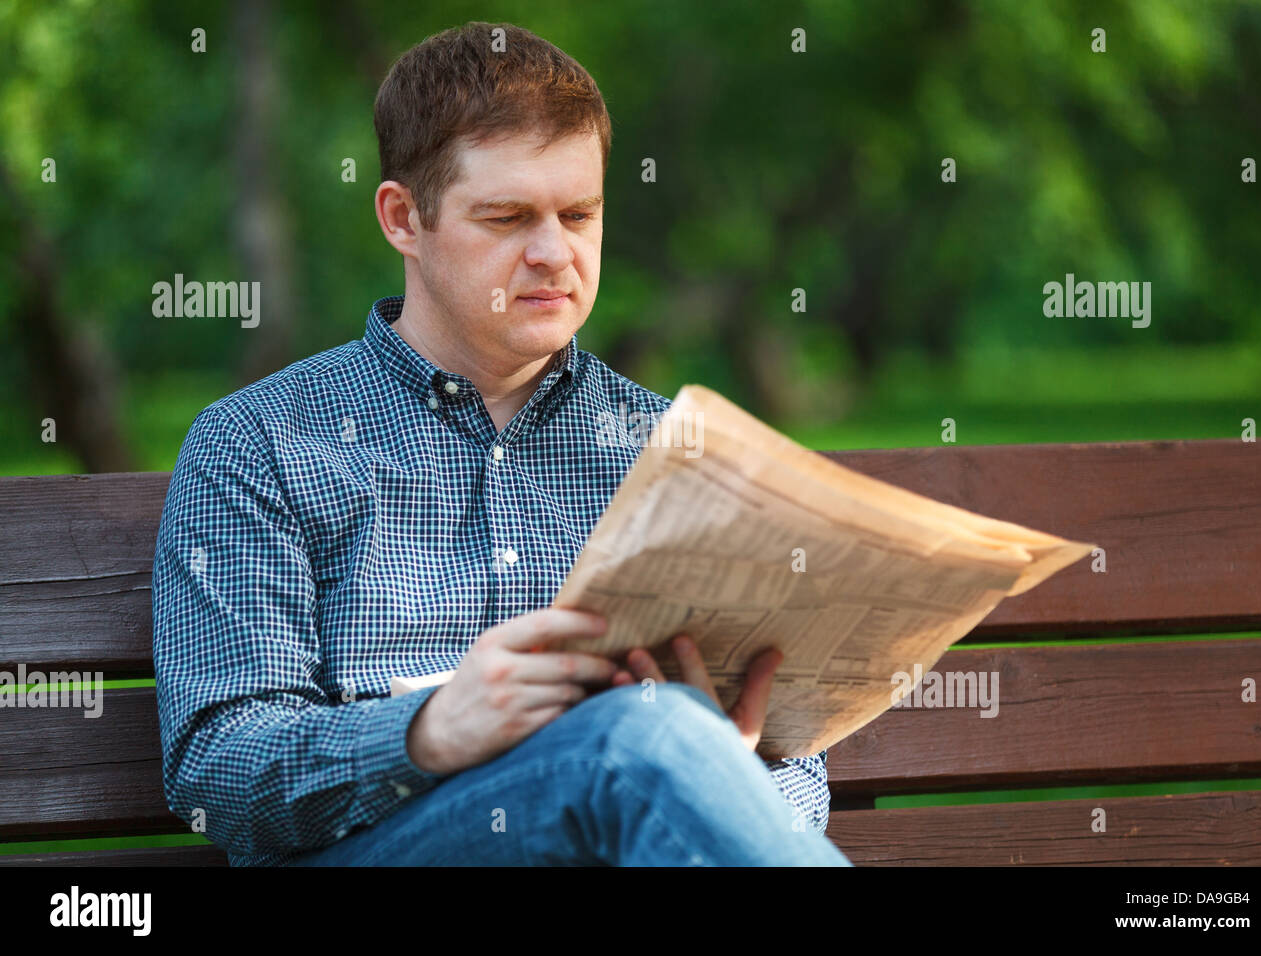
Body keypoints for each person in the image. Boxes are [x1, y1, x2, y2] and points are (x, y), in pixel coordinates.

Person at [151, 20, 851, 867]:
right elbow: (217, 771)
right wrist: (429, 730)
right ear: (403, 217)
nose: (554, 253)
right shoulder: (259, 441)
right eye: (508, 217)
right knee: (628, 742)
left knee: (648, 744)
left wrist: (722, 778)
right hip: (381, 848)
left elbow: (798, 757)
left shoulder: (672, 448)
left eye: (580, 213)